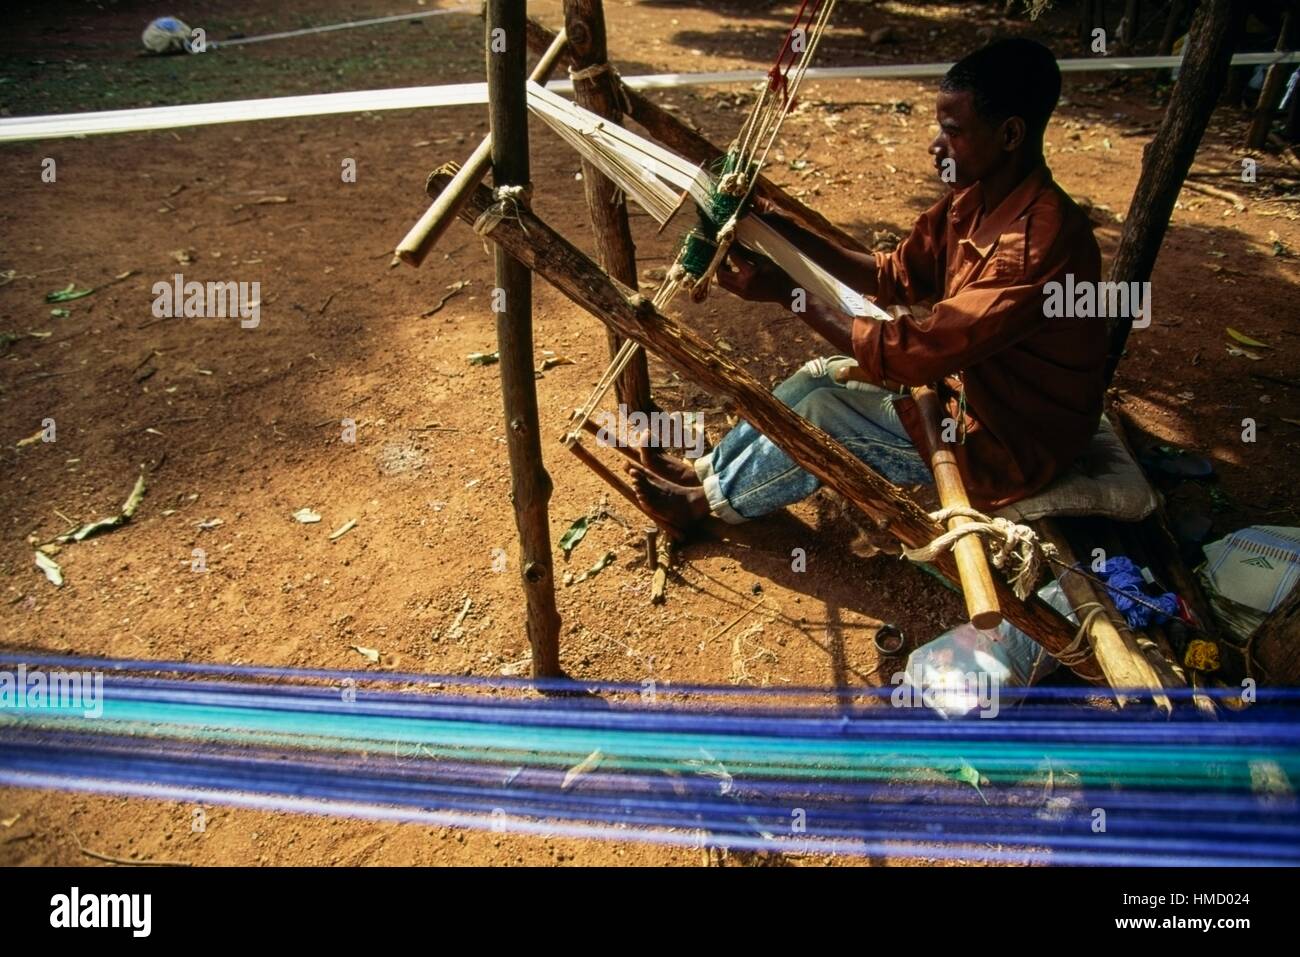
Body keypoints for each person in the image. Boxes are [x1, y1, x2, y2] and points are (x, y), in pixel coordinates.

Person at [627, 37, 1107, 534]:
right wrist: (775, 224)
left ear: (1009, 134)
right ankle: (706, 471)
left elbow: (914, 355)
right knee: (818, 375)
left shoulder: (1035, 247)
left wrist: (788, 294)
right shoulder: (974, 199)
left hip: (1009, 443)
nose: (935, 146)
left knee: (824, 411)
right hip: (965, 397)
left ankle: (704, 504)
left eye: (953, 131)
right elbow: (893, 274)